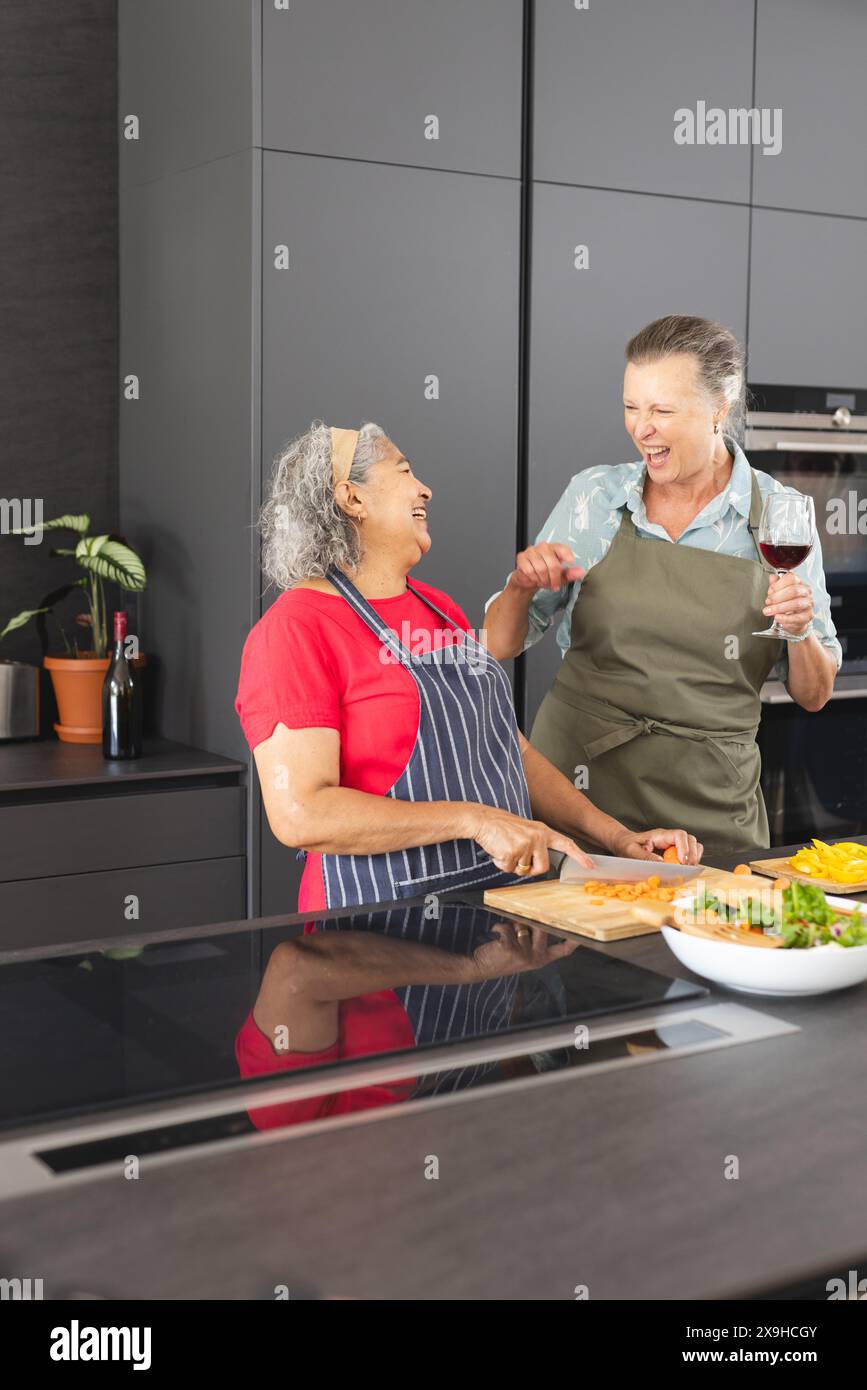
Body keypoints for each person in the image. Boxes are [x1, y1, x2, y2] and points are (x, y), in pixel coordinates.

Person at [234, 419, 702, 918]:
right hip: (374, 928)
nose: (425, 489)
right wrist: (475, 821)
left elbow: (508, 750)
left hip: (498, 915)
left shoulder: (438, 609)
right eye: (405, 471)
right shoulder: (295, 629)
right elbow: (301, 813)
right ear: (352, 500)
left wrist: (617, 837)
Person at [483, 315, 841, 852]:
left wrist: (798, 631)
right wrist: (519, 587)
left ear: (719, 408)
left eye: (662, 411)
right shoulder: (595, 497)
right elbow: (497, 644)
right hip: (577, 795)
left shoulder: (779, 515)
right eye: (631, 407)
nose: (640, 428)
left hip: (711, 805)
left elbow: (815, 694)